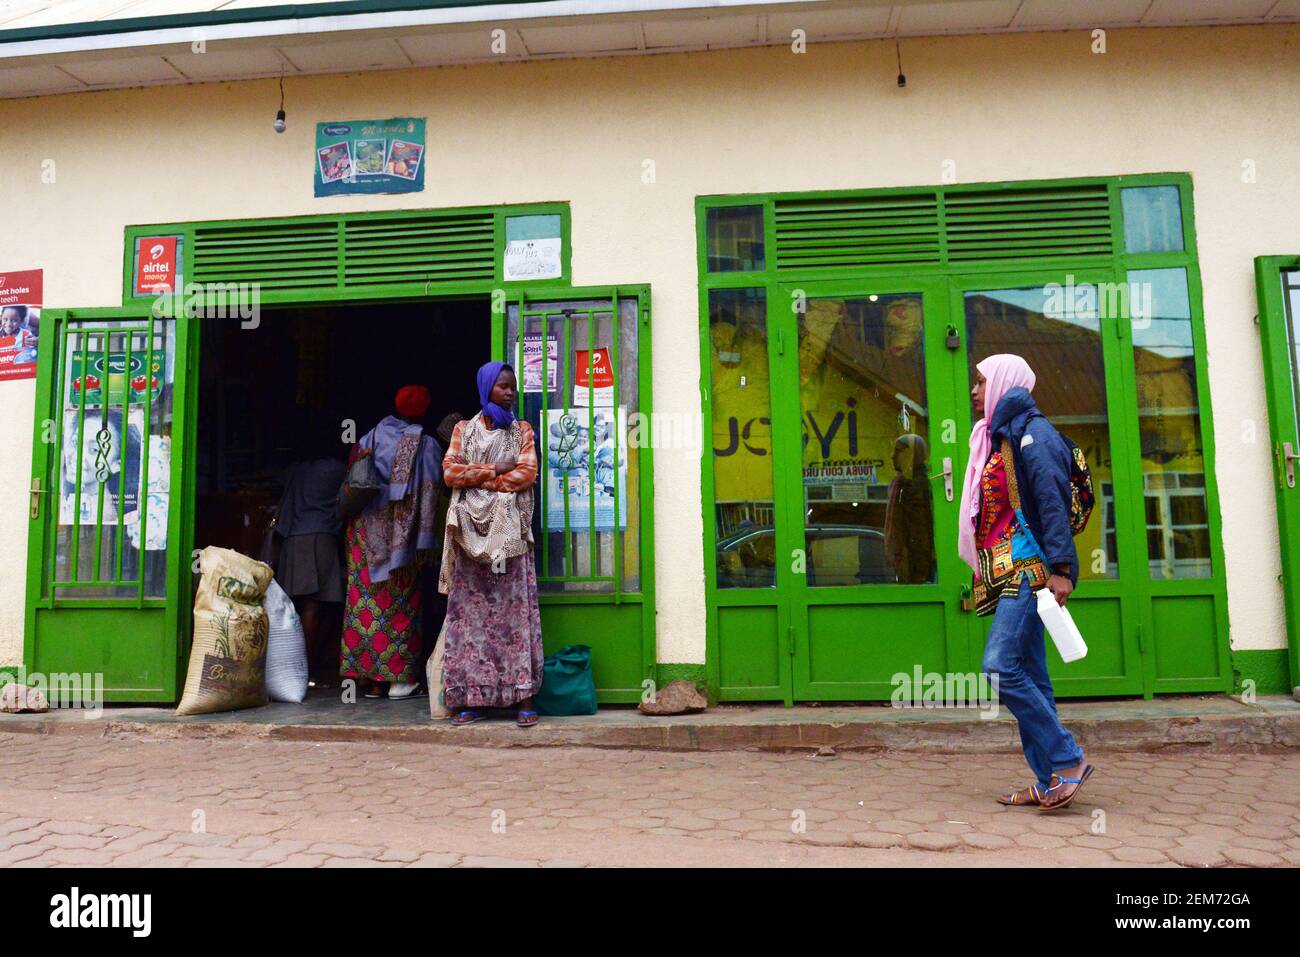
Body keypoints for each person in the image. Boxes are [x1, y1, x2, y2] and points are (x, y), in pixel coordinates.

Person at [958, 354, 1094, 812]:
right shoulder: (999, 435)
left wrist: (1062, 569)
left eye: (980, 382)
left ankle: (1069, 758)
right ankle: (1050, 779)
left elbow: (1051, 505)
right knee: (1032, 674)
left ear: (1002, 383)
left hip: (1031, 572)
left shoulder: (1032, 435)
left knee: (998, 666)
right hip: (1009, 573)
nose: (975, 391)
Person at [439, 362, 544, 728]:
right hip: (470, 541)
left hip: (510, 541)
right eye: (502, 387)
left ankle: (523, 697)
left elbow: (527, 474)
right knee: (471, 621)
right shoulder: (463, 431)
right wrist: (495, 470)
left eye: (513, 387)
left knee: (514, 619)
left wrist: (477, 481)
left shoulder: (523, 431)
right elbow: (450, 471)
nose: (510, 392)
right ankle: (472, 700)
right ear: (487, 389)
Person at [341, 385, 443, 699]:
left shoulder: (367, 438)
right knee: (399, 607)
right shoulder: (425, 444)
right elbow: (431, 492)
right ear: (424, 410)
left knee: (363, 607)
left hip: (363, 538)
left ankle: (371, 682)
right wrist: (426, 541)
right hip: (401, 539)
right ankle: (400, 680)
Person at [272, 427, 347, 688]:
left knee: (296, 606)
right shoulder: (335, 468)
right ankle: (305, 668)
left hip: (292, 540)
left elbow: (275, 479)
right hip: (320, 539)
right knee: (317, 605)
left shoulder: (296, 470)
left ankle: (296, 667)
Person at [883, 433, 934, 584]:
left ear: (912, 454)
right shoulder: (901, 483)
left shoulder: (916, 486)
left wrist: (916, 568)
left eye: (899, 451)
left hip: (914, 565)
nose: (893, 456)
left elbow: (919, 532)